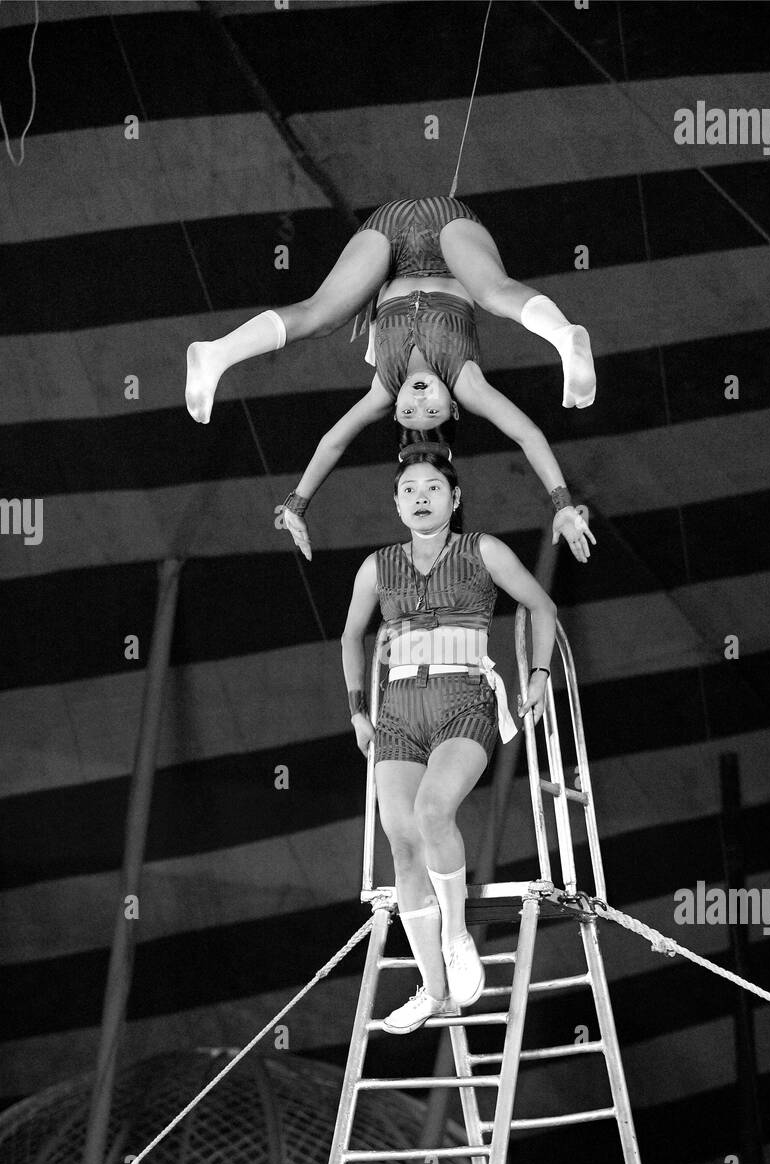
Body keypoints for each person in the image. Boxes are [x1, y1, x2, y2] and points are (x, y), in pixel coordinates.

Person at [184, 195, 597, 563]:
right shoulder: (465, 381)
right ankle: (563, 335)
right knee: (494, 291)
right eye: (431, 410)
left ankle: (216, 352)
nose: (418, 399)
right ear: (452, 406)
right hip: (450, 229)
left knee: (319, 314)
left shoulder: (384, 385)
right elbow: (527, 435)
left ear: (395, 411)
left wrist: (297, 503)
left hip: (388, 230)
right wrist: (560, 502)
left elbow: (333, 441)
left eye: (409, 412)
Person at [340, 443, 556, 1033]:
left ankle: (458, 936)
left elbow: (541, 607)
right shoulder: (376, 566)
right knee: (402, 843)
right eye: (409, 490)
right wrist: (360, 711)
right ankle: (434, 991)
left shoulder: (481, 549)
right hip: (399, 711)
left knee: (434, 810)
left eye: (433, 488)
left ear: (454, 498)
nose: (420, 498)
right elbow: (351, 635)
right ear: (396, 502)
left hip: (463, 700)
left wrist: (537, 675)